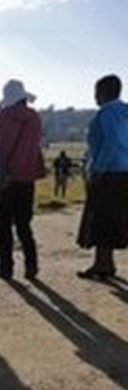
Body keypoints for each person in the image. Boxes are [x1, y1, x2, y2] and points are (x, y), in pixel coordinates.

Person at [0, 80, 44, 280]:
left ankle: (6, 267)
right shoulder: (34, 118)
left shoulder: (1, 117)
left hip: (6, 176)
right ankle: (31, 265)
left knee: (3, 226)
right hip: (27, 177)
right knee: (23, 224)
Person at [77, 74, 128, 281]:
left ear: (103, 92)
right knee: (115, 218)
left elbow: (111, 142)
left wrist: (98, 169)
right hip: (124, 172)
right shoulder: (125, 112)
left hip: (108, 172)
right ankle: (107, 263)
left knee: (101, 219)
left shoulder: (106, 114)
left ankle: (102, 264)